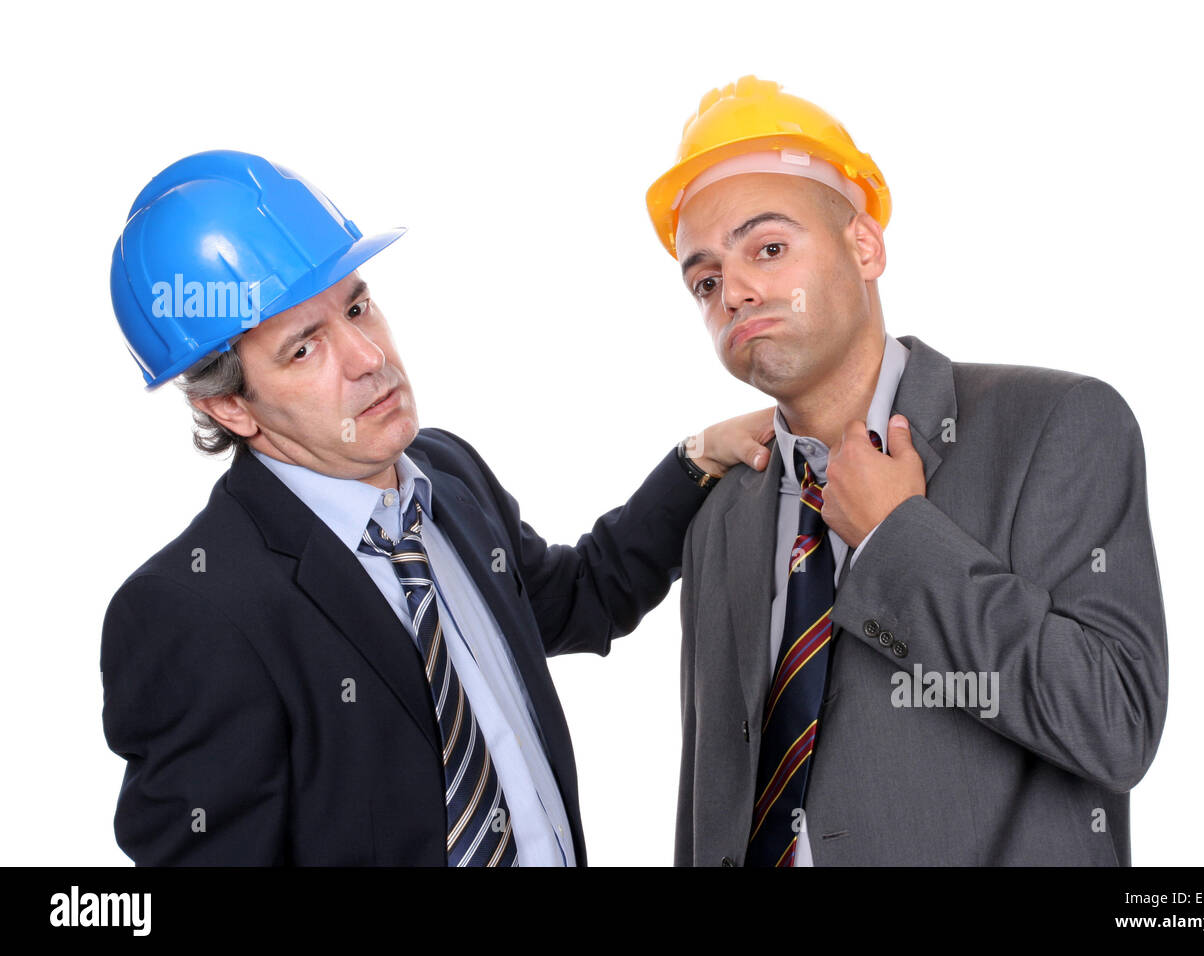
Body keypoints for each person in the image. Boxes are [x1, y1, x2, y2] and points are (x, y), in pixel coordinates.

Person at [102, 149, 773, 866]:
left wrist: (696, 460)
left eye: (357, 306)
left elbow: (578, 597)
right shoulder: (194, 609)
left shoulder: (446, 476)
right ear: (230, 405)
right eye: (305, 349)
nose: (367, 356)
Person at [648, 77, 1168, 866]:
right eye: (707, 281)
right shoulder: (723, 514)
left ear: (865, 245)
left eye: (770, 248)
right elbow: (713, 794)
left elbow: (1115, 722)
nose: (737, 292)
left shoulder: (1056, 427)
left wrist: (899, 539)